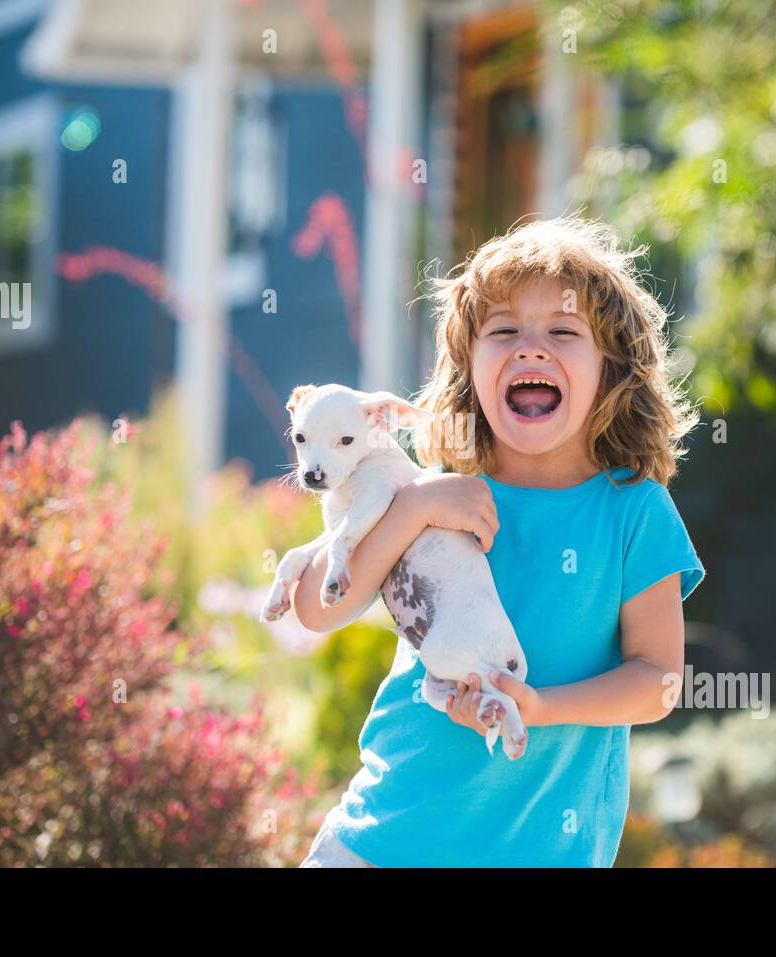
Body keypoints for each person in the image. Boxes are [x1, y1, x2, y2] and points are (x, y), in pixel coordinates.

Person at [293, 215, 706, 867]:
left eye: (563, 331)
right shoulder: (428, 489)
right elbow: (316, 607)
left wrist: (538, 707)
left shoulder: (635, 512)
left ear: (611, 368)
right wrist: (415, 509)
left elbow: (657, 681)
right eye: (504, 330)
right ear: (470, 365)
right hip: (382, 838)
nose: (530, 349)